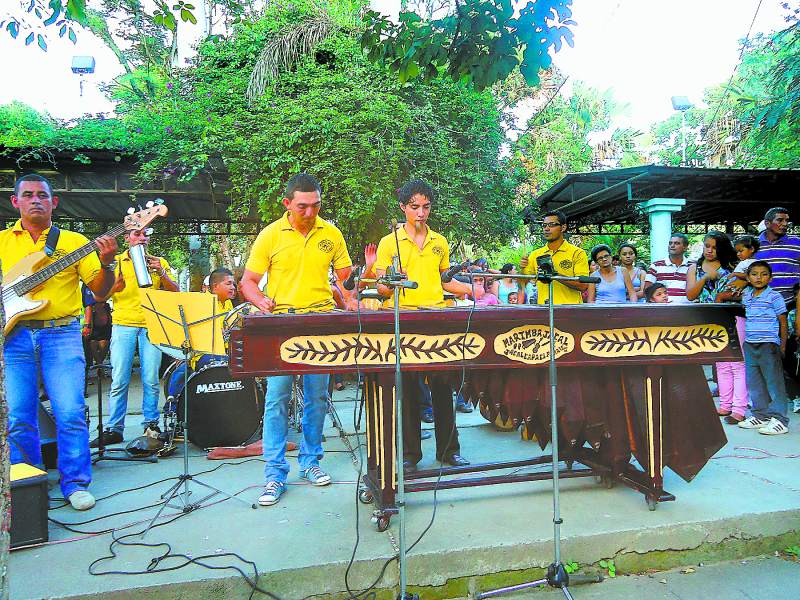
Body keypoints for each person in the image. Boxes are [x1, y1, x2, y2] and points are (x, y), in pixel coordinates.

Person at [1, 174, 118, 510]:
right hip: (14, 336)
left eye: (42, 195)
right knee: (19, 416)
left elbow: (99, 291)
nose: (35, 200)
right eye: (28, 195)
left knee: (69, 412)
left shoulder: (74, 241)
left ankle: (76, 482)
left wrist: (107, 262)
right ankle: (30, 483)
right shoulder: (3, 242)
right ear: (16, 202)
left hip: (61, 334)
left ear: (54, 202)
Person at [239, 173, 353, 506]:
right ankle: (274, 473)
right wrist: (260, 301)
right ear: (287, 203)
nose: (309, 212)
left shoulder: (330, 233)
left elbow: (347, 281)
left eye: (315, 205)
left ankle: (311, 462)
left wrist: (358, 279)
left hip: (320, 320)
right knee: (277, 398)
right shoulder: (270, 235)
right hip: (281, 322)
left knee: (318, 398)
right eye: (302, 206)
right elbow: (248, 281)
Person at [374, 179, 476, 472]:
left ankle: (448, 450)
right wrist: (392, 279)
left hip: (437, 318)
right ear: (403, 207)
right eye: (415, 207)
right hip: (403, 318)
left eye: (426, 207)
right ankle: (409, 455)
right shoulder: (388, 243)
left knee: (444, 388)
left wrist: (470, 290)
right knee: (407, 390)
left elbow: (445, 280)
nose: (421, 213)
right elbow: (381, 288)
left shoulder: (439, 241)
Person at [90, 227, 178, 447]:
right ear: (127, 237)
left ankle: (151, 424)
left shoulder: (159, 262)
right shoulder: (116, 261)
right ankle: (114, 428)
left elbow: (176, 293)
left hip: (151, 326)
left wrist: (162, 274)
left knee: (150, 379)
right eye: (137, 234)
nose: (142, 238)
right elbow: (98, 296)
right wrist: (115, 287)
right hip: (123, 325)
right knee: (119, 379)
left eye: (146, 234)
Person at [735, 261, 790, 435]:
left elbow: (782, 322)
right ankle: (761, 415)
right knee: (754, 383)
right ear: (748, 278)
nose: (759, 277)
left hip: (768, 345)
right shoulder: (747, 295)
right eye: (754, 274)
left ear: (770, 277)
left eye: (764, 274)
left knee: (774, 383)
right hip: (750, 344)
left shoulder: (774, 296)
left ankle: (780, 419)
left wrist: (782, 346)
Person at [166, 268, 236, 400]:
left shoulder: (227, 303)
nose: (233, 287)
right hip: (203, 355)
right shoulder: (200, 302)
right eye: (229, 284)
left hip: (225, 351)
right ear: (215, 286)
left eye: (233, 284)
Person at [520, 209, 589, 304]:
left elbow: (583, 285)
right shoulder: (535, 254)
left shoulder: (577, 253)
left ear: (563, 227)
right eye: (544, 225)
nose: (546, 229)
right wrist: (522, 269)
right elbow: (523, 283)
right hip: (544, 310)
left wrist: (555, 275)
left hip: (570, 311)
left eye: (551, 225)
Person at [755, 207, 800, 308]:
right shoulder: (753, 245)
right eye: (780, 220)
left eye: (787, 220)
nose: (785, 224)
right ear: (767, 223)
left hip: (792, 306)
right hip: (762, 306)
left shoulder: (797, 243)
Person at [686, 231, 737, 303]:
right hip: (703, 312)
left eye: (715, 248)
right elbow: (690, 296)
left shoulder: (732, 266)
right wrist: (705, 278)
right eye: (707, 246)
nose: (709, 251)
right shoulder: (694, 268)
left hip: (729, 311)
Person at [644, 233, 694, 303]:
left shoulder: (693, 266)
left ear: (685, 247)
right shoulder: (656, 266)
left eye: (677, 243)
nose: (672, 246)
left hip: (688, 310)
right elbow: (647, 291)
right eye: (670, 243)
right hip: (663, 311)